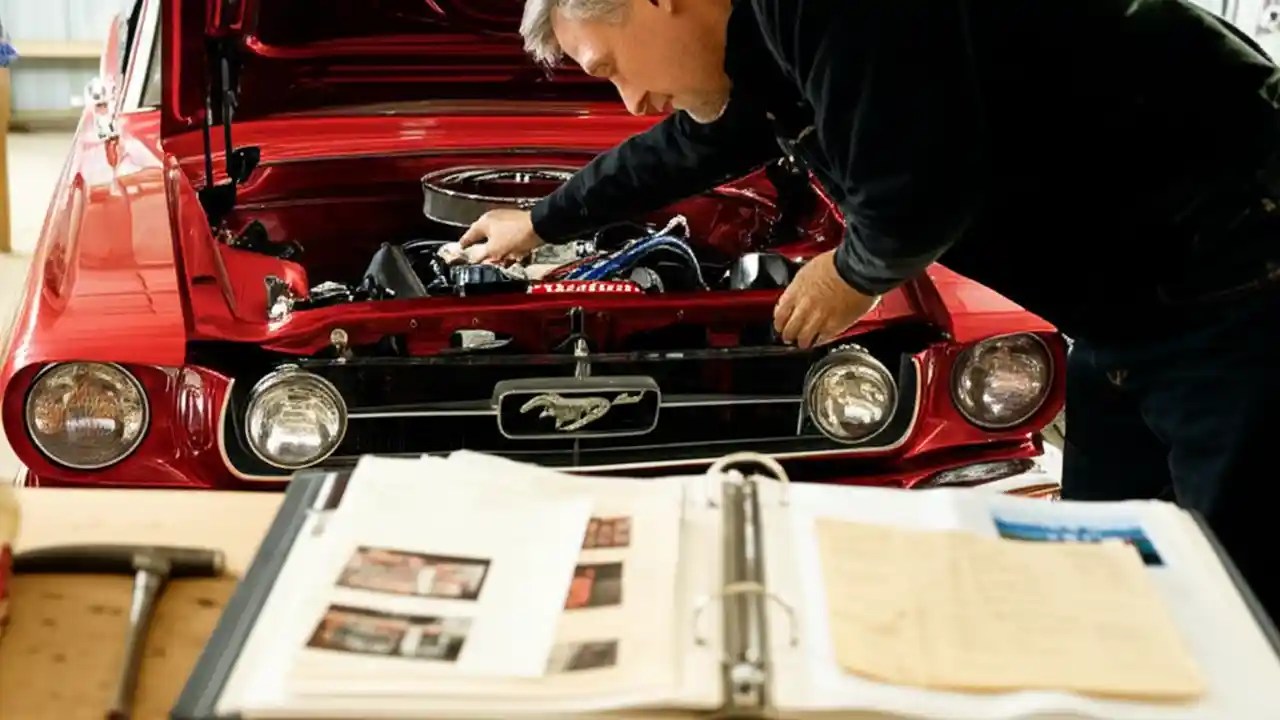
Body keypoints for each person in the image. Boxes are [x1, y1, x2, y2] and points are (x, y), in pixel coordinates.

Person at [458, 0, 1280, 621]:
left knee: (1239, 598)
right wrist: (541, 219)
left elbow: (915, 192)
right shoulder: (768, 40)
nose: (632, 97)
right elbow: (698, 143)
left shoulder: (831, 4)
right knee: (1109, 575)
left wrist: (849, 274)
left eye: (609, 66)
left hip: (1235, 279)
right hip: (1125, 312)